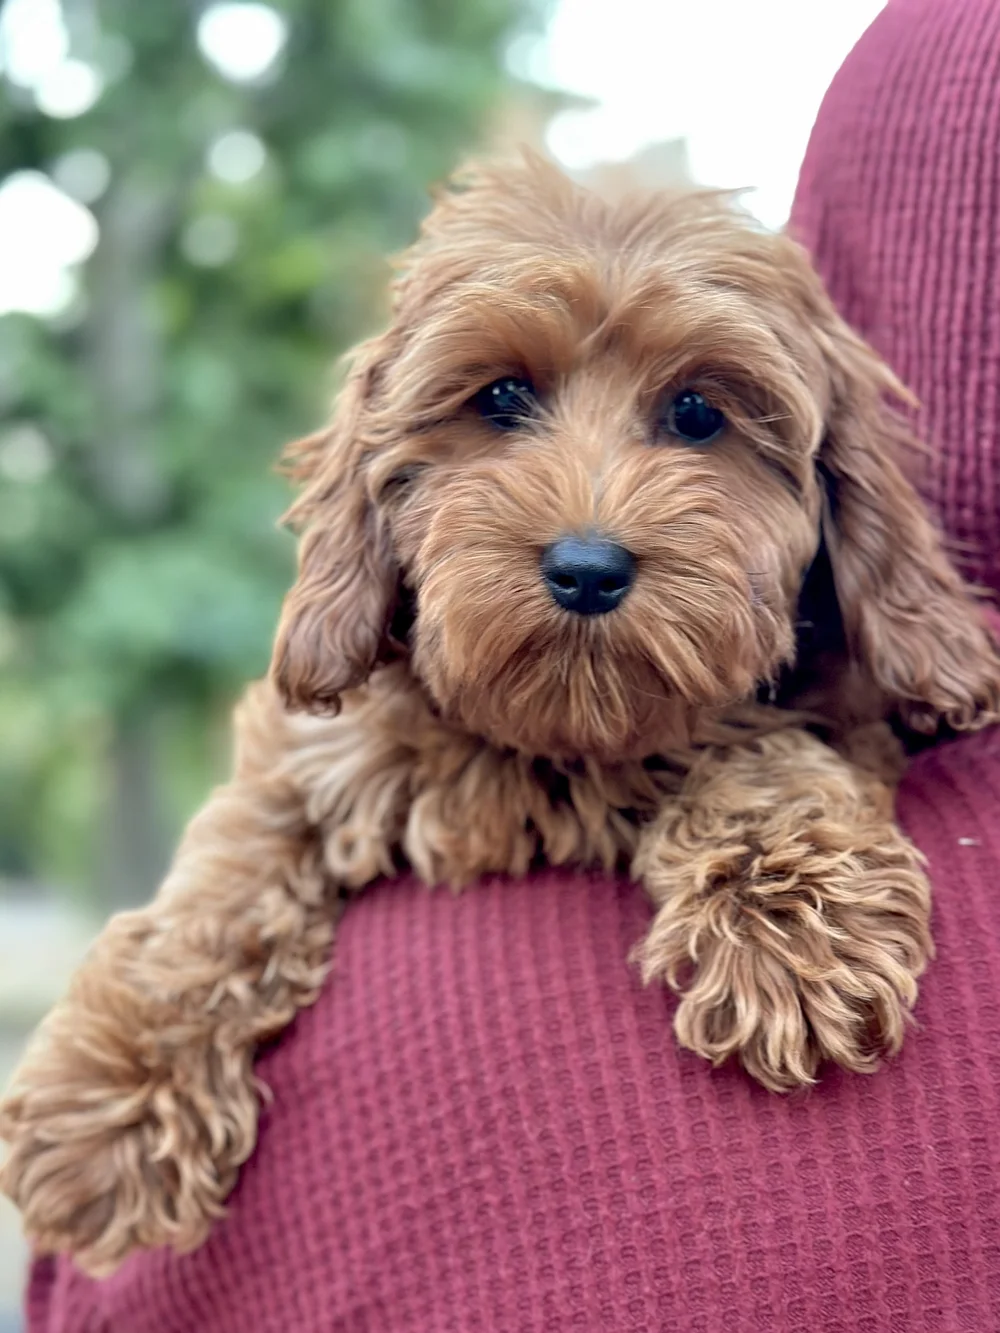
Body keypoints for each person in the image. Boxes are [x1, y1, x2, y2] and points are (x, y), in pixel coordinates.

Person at [26, 0, 1000, 1327]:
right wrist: (186, 995)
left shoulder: (829, 712)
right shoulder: (340, 756)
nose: (589, 527)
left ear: (843, 512)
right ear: (380, 494)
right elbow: (278, 810)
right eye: (499, 403)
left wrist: (771, 802)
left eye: (700, 418)